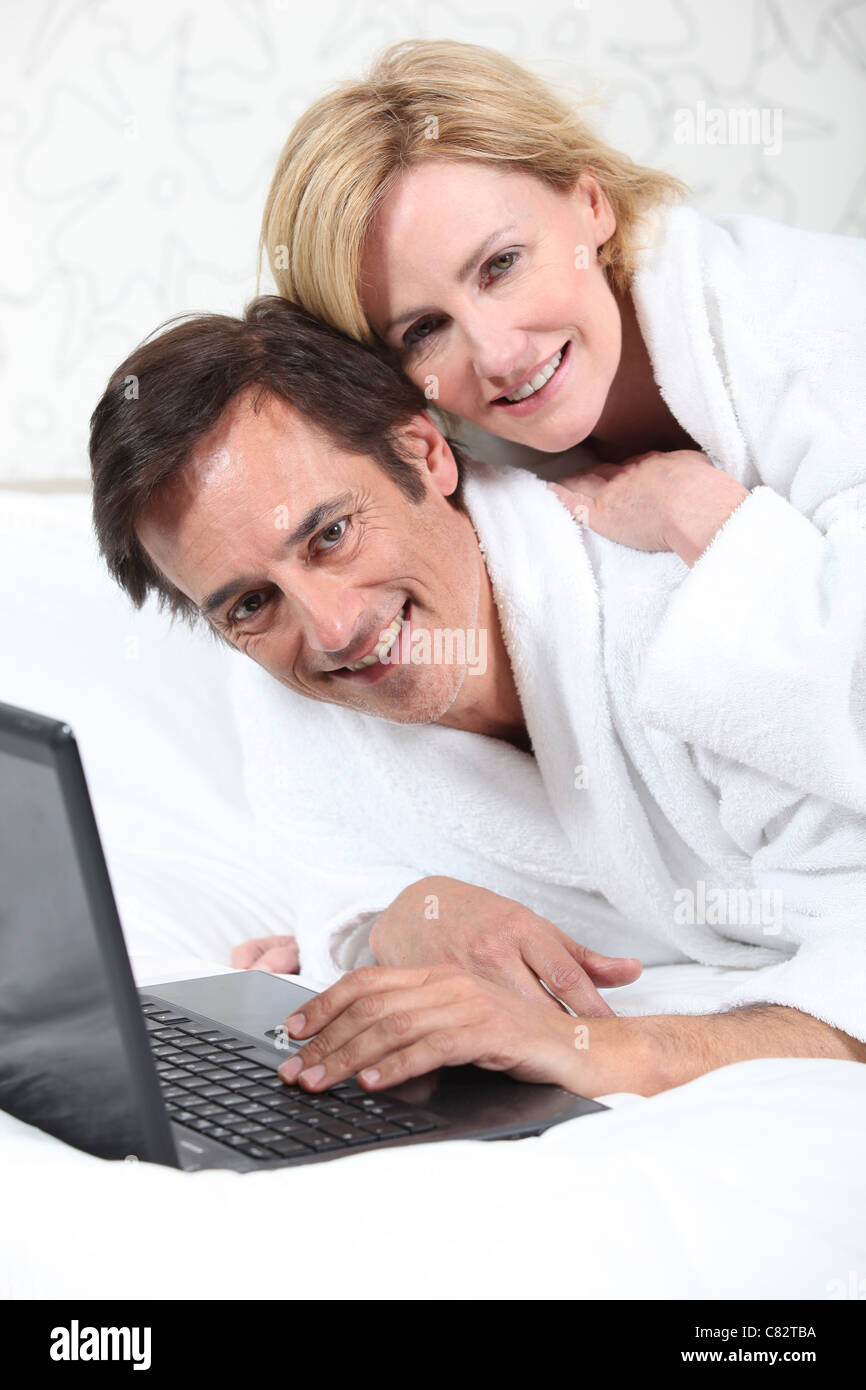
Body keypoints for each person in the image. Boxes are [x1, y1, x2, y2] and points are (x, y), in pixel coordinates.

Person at [88, 296, 866, 1100]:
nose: (332, 628)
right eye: (250, 604)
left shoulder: (689, 607)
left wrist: (608, 1051)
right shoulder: (287, 702)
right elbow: (340, 899)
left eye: (330, 535)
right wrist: (401, 920)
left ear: (424, 453)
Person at [260, 38, 866, 812]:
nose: (500, 354)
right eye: (422, 331)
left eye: (502, 265)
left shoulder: (817, 328)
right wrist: (380, 909)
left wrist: (703, 517)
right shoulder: (471, 475)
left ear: (591, 202)